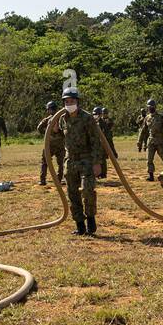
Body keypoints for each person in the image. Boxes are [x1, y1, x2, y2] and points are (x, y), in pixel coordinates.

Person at [57, 87, 102, 235]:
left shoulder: (87, 118)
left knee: (88, 191)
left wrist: (96, 163)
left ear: (77, 101)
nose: (70, 103)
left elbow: (96, 141)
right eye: (67, 101)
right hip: (70, 162)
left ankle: (91, 222)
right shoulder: (63, 118)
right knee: (72, 194)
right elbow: (57, 133)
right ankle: (80, 226)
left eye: (72, 101)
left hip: (86, 161)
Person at [37, 100, 65, 186]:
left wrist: (47, 133)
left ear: (48, 110)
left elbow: (39, 128)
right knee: (61, 163)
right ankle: (59, 179)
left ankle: (42, 180)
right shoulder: (62, 118)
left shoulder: (48, 119)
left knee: (45, 162)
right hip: (60, 145)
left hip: (49, 145)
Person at [142, 99, 163, 181]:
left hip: (160, 140)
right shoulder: (147, 118)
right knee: (149, 159)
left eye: (152, 106)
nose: (150, 108)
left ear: (155, 107)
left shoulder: (161, 117)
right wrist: (139, 142)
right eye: (149, 107)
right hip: (151, 141)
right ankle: (151, 176)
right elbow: (143, 131)